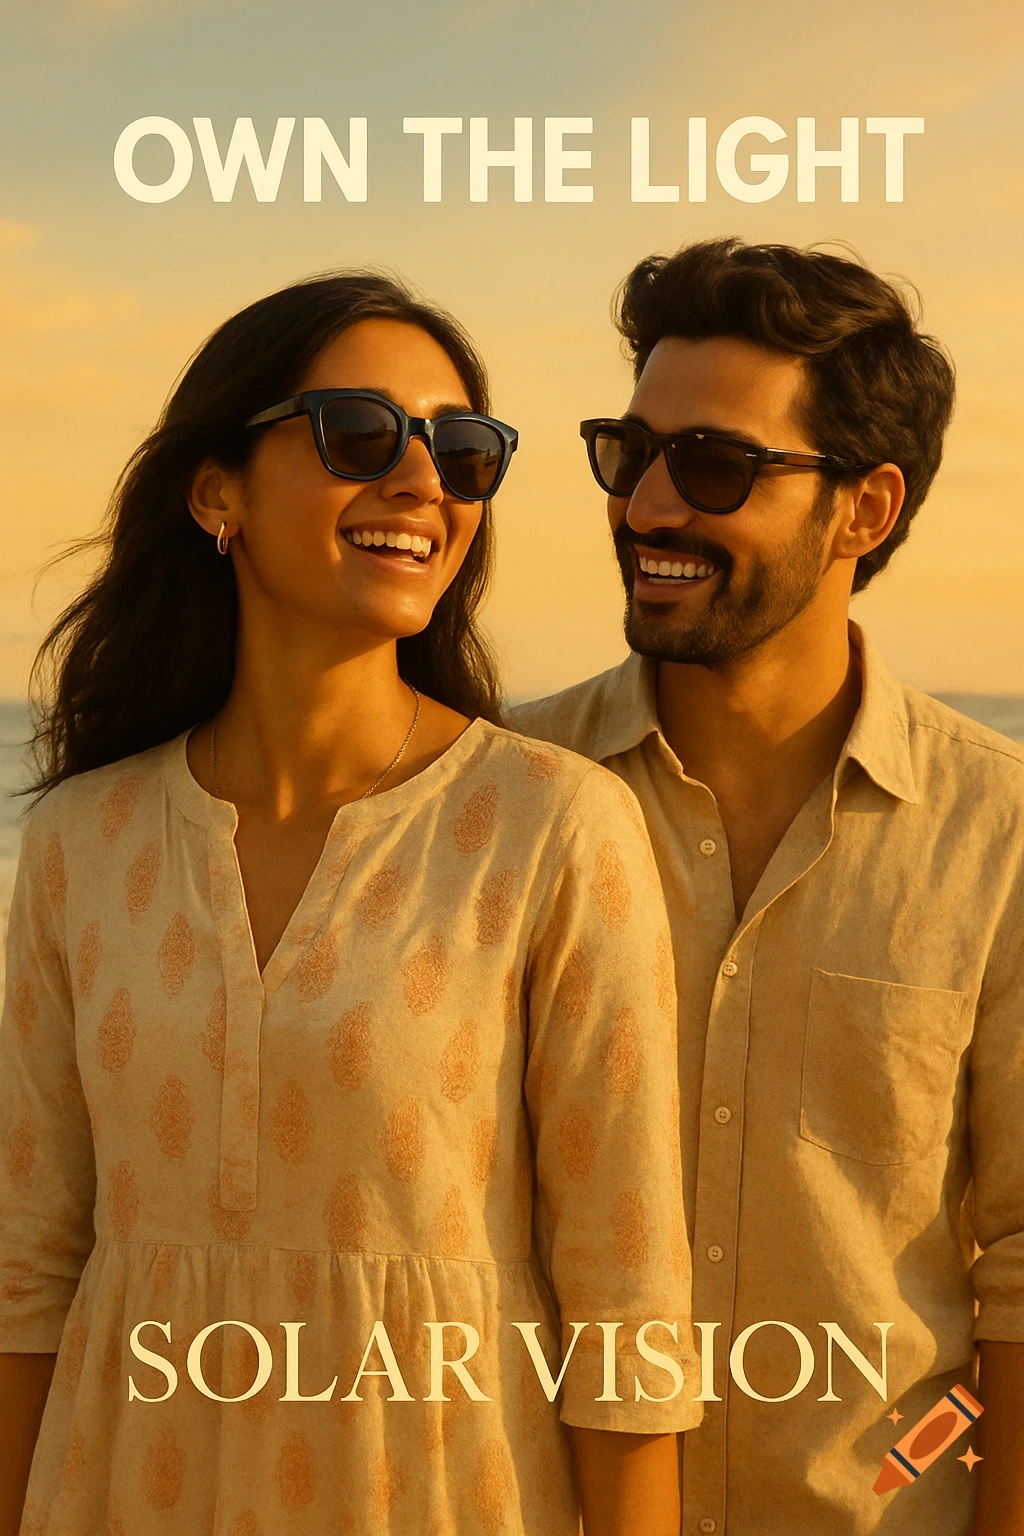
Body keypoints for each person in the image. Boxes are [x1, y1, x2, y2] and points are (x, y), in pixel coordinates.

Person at [0, 271, 703, 1536]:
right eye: (360, 434)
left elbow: (626, 1310)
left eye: (464, 452)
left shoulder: (551, 829)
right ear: (217, 492)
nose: (423, 481)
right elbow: (26, 1277)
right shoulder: (77, 845)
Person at [510, 237, 1024, 1536]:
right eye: (629, 455)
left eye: (716, 466)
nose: (646, 507)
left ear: (867, 507)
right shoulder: (497, 794)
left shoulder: (1002, 834)